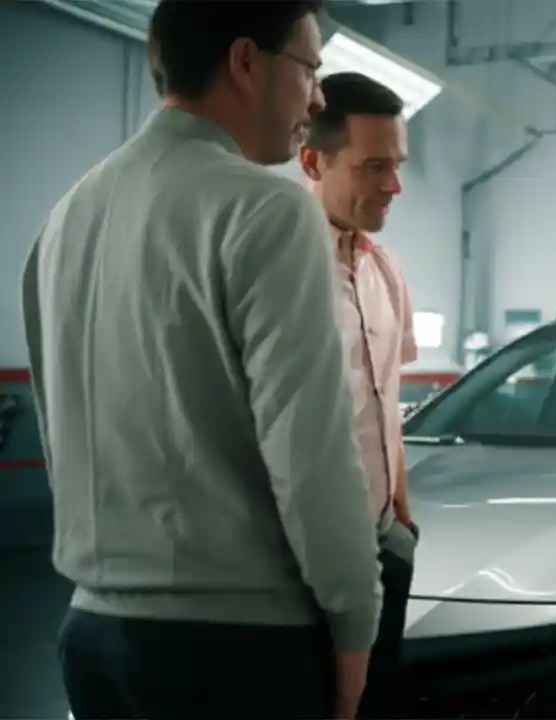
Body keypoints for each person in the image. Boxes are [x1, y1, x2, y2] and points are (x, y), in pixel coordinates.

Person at [20, 2, 383, 718]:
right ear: (246, 62)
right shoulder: (265, 210)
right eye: (310, 69)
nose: (316, 98)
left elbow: (57, 427)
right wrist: (356, 630)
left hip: (90, 633)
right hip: (236, 645)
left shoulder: (66, 215)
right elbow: (311, 454)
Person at [298, 71, 419, 718]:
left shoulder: (384, 269)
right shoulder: (280, 267)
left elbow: (386, 401)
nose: (394, 185)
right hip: (304, 558)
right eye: (375, 166)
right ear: (312, 160)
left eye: (397, 165)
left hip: (382, 541)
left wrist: (401, 517)